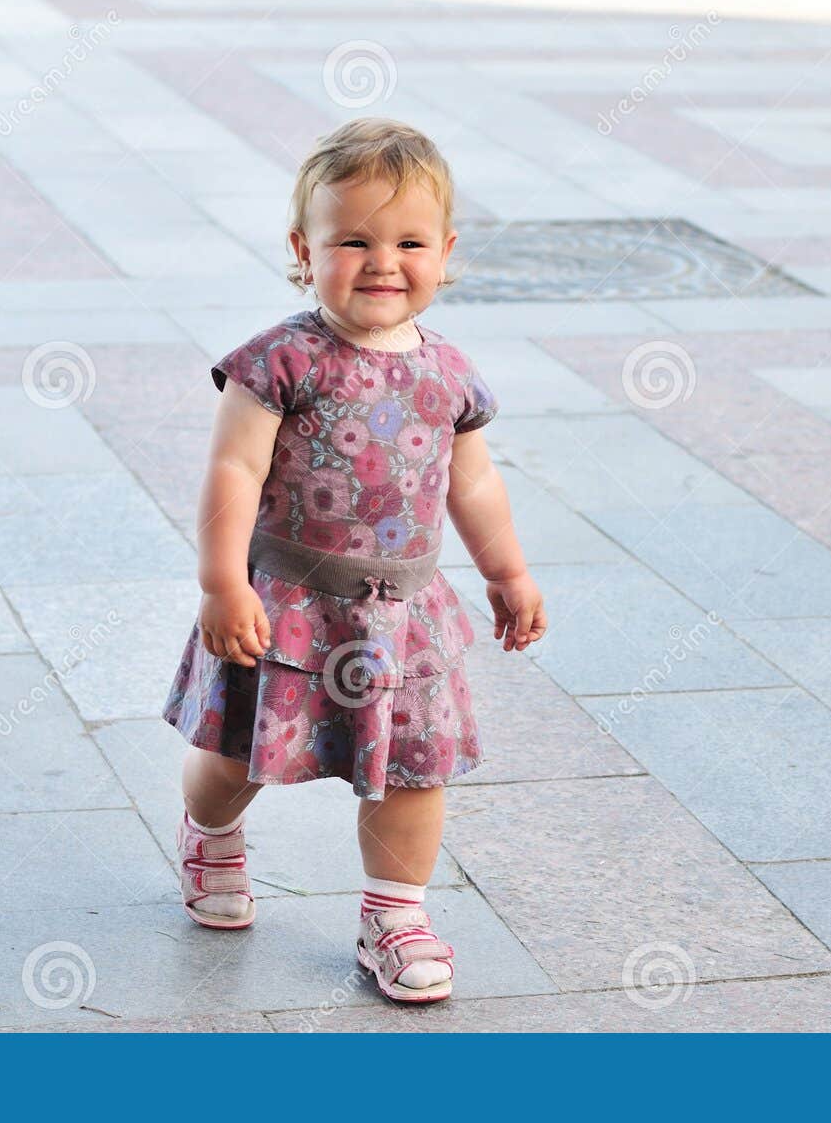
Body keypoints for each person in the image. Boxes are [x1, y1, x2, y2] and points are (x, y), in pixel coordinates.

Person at [161, 117, 547, 1003]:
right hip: (290, 603)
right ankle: (209, 834)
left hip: (405, 616)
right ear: (304, 251)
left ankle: (395, 913)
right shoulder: (280, 362)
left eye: (409, 241)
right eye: (354, 241)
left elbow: (474, 486)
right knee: (233, 757)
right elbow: (234, 470)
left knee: (415, 770)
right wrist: (222, 583)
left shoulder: (450, 372)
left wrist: (506, 572)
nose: (383, 262)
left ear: (445, 253)